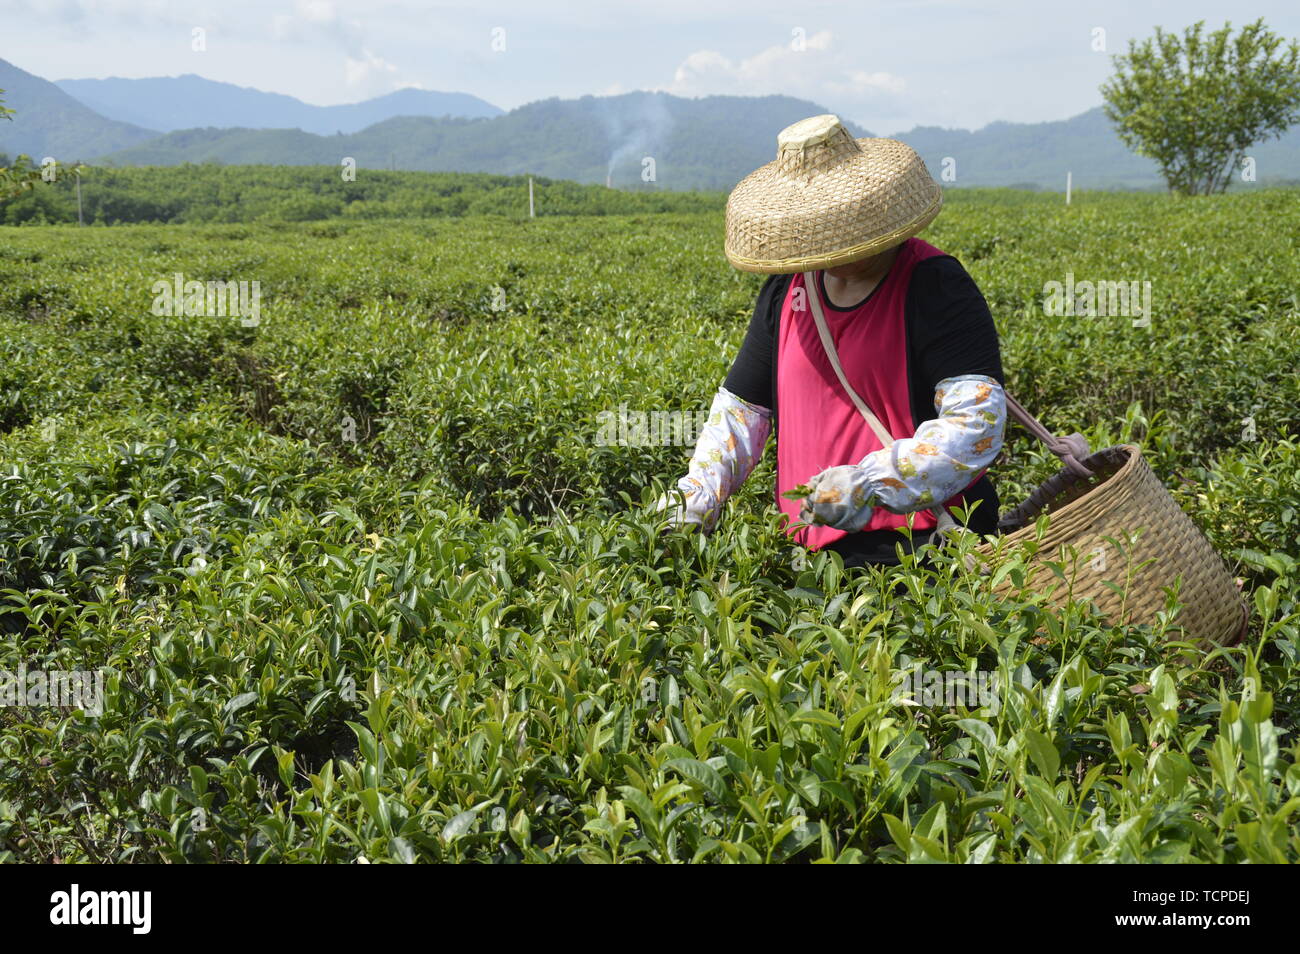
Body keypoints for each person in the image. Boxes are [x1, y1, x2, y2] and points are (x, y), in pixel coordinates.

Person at [657, 114, 1006, 568]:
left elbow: (975, 425)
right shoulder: (786, 291)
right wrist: (696, 497)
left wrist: (869, 483)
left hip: (923, 556)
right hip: (809, 556)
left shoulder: (934, 284)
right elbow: (742, 412)